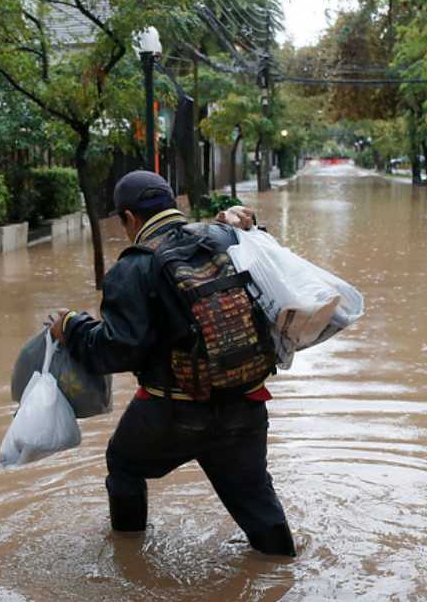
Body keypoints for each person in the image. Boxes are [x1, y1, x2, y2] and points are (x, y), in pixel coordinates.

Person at [47, 171, 297, 557]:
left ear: (128, 218)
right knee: (255, 497)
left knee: (123, 463)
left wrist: (72, 327)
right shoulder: (223, 237)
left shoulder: (132, 268)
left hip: (171, 411)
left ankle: (128, 554)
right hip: (245, 401)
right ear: (172, 203)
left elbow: (118, 350)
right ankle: (282, 566)